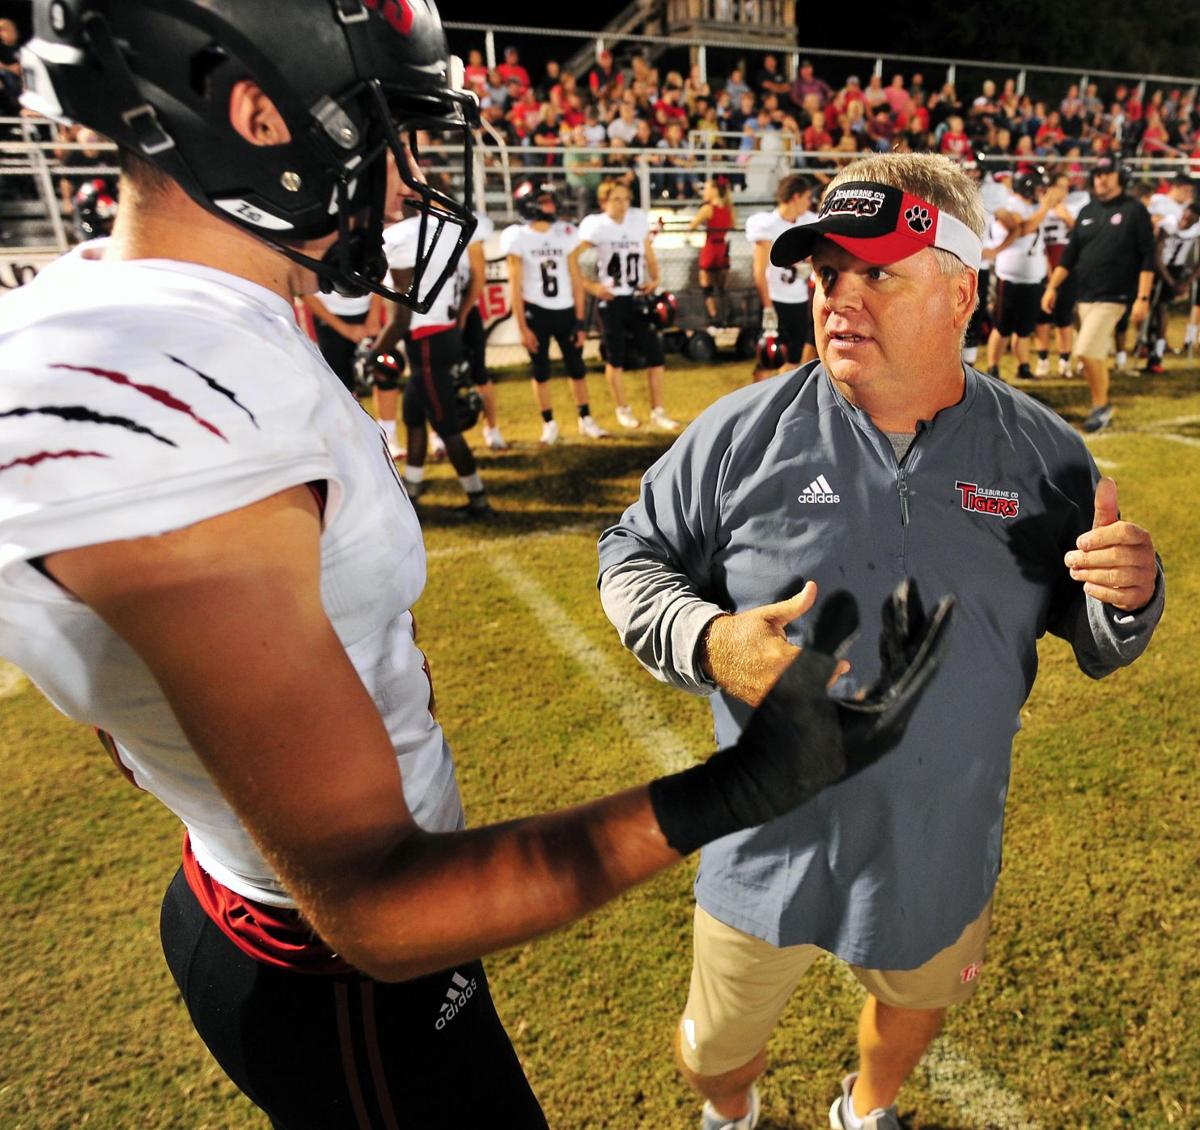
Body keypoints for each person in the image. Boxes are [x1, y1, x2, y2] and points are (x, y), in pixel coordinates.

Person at [0, 5, 955, 1128]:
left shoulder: (149, 320)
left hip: (268, 904)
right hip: (339, 970)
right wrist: (745, 784)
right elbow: (380, 906)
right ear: (256, 117)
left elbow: (133, 711)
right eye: (386, 130)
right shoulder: (164, 384)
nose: (406, 184)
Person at [597, 153, 1163, 1130]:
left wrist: (1130, 596)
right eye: (826, 275)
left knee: (913, 1003)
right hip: (761, 835)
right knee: (712, 1048)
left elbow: (1102, 640)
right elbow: (633, 559)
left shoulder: (1043, 454)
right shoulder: (742, 433)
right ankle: (731, 1111)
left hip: (939, 838)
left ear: (959, 292)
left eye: (875, 273)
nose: (838, 299)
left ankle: (868, 1104)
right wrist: (706, 635)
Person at [1041, 156, 1155, 433]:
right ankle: (1101, 404)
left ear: (1120, 177)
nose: (1101, 178)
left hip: (1115, 296)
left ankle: (1101, 405)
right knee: (1092, 356)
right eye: (1098, 173)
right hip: (1085, 296)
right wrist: (1052, 287)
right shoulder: (1087, 210)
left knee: (1085, 351)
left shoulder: (1134, 210)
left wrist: (1143, 298)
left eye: (1108, 173)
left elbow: (1148, 257)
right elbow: (1070, 255)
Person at [502, 180, 609, 444]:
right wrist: (522, 327)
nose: (551, 205)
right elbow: (514, 285)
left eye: (551, 200)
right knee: (541, 370)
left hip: (566, 310)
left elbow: (575, 276)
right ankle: (548, 423)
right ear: (528, 205)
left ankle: (586, 419)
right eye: (544, 201)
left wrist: (581, 320)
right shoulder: (517, 235)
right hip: (536, 311)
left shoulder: (565, 232)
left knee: (577, 367)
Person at [572, 179, 679, 431]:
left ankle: (658, 410)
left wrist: (655, 278)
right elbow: (571, 258)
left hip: (636, 297)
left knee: (656, 355)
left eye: (626, 199)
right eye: (617, 199)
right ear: (604, 202)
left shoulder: (637, 220)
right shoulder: (596, 226)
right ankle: (623, 409)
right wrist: (591, 287)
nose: (623, 205)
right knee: (615, 358)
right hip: (611, 300)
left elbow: (648, 252)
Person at [986, 171, 1064, 381]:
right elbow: (1022, 229)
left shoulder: (1033, 207)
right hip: (1010, 278)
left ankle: (1023, 366)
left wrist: (1048, 279)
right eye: (1039, 188)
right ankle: (993, 367)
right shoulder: (1011, 204)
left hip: (1033, 279)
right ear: (1028, 187)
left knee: (1024, 328)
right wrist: (1045, 208)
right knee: (1003, 326)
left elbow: (1040, 246)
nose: (1041, 193)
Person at [746, 173, 818, 380]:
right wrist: (768, 307)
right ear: (796, 197)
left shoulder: (808, 222)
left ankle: (783, 408)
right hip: (776, 300)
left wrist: (808, 264)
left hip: (799, 299)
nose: (809, 203)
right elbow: (759, 271)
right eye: (806, 197)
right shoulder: (768, 224)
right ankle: (757, 406)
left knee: (793, 359)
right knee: (768, 356)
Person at [1145, 200, 1200, 373]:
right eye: (1184, 216)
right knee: (1151, 308)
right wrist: (1171, 282)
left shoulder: (1196, 230)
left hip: (1177, 269)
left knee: (1162, 308)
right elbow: (1158, 256)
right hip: (1159, 268)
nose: (1185, 221)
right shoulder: (1169, 224)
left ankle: (1157, 352)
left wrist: (1187, 281)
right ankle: (1148, 345)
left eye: (1190, 219)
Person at [688, 177, 736, 326]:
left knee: (707, 288)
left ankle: (714, 318)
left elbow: (692, 226)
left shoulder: (708, 208)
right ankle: (727, 315)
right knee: (722, 287)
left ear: (714, 190)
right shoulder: (729, 208)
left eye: (707, 189)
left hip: (710, 249)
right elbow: (733, 225)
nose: (705, 192)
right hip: (723, 248)